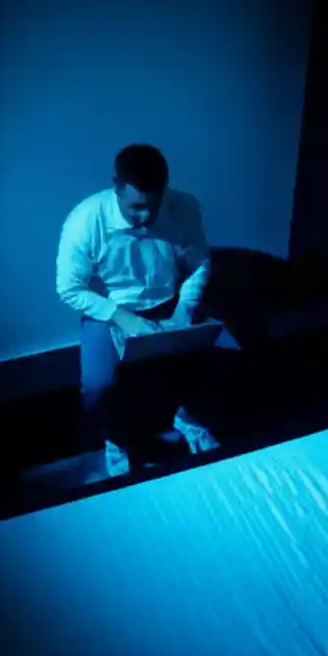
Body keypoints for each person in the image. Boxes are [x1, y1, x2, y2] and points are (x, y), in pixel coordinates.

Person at [56, 144, 220, 477]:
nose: (144, 217)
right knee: (98, 385)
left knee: (206, 359)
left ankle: (189, 421)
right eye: (135, 208)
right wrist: (122, 317)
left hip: (167, 299)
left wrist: (183, 313)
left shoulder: (184, 207)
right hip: (109, 308)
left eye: (152, 207)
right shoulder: (85, 220)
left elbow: (198, 264)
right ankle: (116, 440)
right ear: (116, 187)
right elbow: (69, 288)